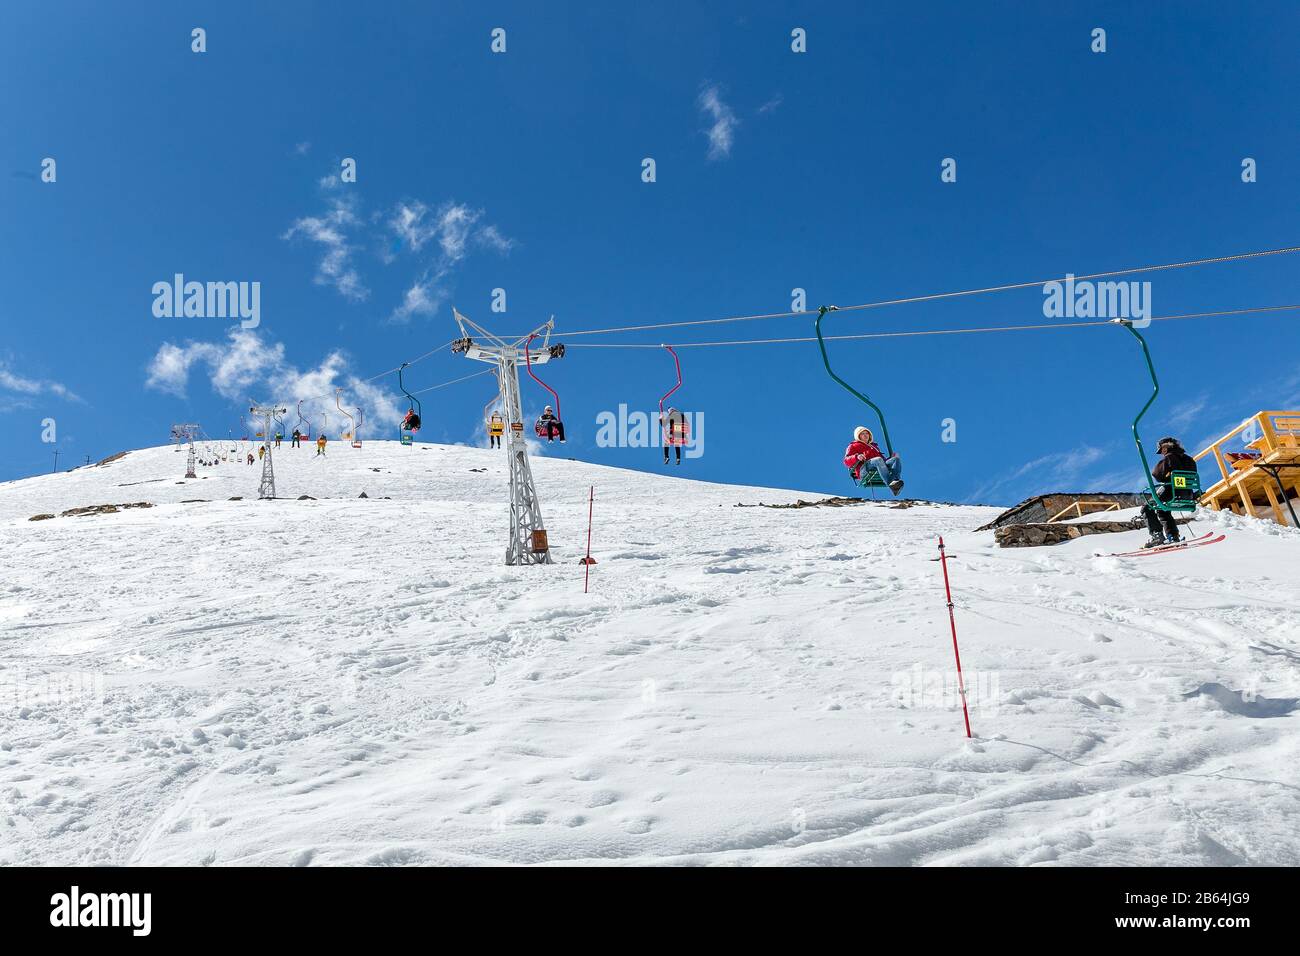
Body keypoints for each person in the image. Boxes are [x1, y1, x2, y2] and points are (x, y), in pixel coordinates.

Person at [1140, 436, 1198, 547]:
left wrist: (1166, 477)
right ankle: (1173, 536)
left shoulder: (1169, 458)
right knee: (1162, 510)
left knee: (1147, 507)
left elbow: (1157, 474)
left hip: (1172, 492)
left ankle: (1157, 535)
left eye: (1162, 450)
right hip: (1187, 494)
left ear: (1166, 448)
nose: (1162, 453)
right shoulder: (1189, 459)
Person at [844, 426, 904, 496]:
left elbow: (883, 462)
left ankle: (895, 482)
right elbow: (846, 461)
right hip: (864, 469)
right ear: (858, 436)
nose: (865, 435)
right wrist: (857, 457)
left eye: (867, 433)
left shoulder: (874, 447)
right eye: (862, 434)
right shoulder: (853, 446)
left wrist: (891, 458)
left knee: (895, 460)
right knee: (878, 459)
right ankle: (891, 483)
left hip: (876, 465)